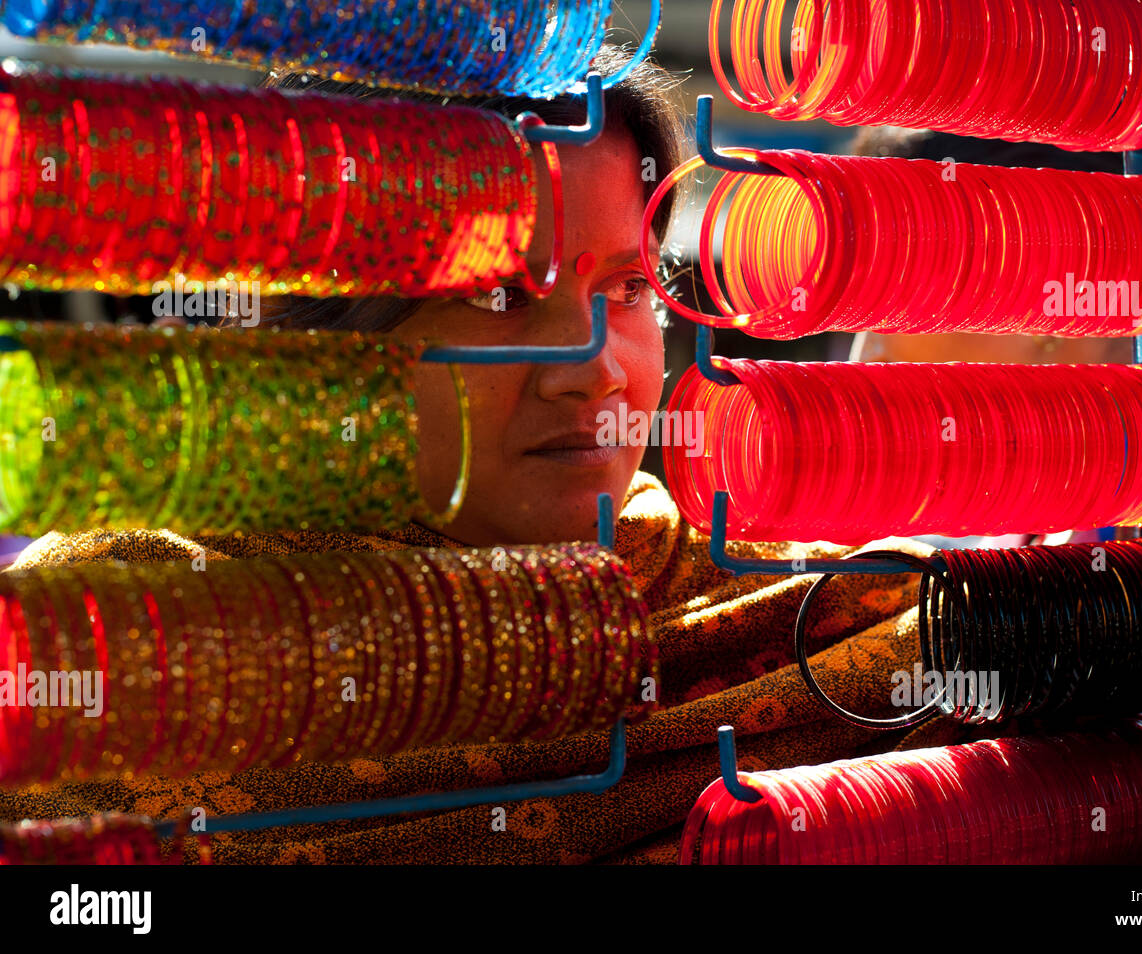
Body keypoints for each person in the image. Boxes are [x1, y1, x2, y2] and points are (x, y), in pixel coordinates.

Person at [1, 47, 955, 864]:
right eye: (499, 298)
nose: (593, 372)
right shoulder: (108, 649)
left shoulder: (805, 623)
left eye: (626, 289)